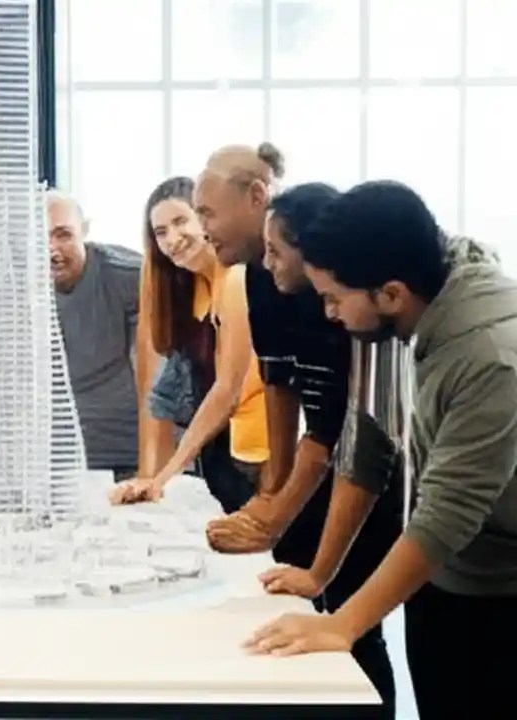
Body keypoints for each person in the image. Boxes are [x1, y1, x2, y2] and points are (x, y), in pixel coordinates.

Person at [246, 181, 517, 718]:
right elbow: (368, 440)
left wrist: (344, 623)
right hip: (444, 583)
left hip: (499, 597)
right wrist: (321, 577)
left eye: (332, 299)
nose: (328, 314)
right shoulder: (406, 314)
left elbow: (447, 512)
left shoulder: (492, 356)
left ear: (390, 293)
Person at [192, 150, 400, 717]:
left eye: (208, 212)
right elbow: (280, 382)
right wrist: (270, 493)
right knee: (308, 600)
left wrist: (277, 517)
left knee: (351, 620)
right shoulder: (260, 281)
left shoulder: (353, 313)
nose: (202, 229)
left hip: (372, 473)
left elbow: (343, 436)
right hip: (337, 459)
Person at [112, 177, 269, 513]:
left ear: (205, 218)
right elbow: (164, 397)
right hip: (220, 458)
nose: (172, 239)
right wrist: (150, 478)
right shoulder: (194, 291)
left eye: (180, 221)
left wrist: (161, 479)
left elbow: (228, 391)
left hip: (262, 460)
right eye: (161, 232)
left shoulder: (237, 280)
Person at [46, 190, 147, 479]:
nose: (51, 248)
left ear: (84, 230)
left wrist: (155, 466)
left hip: (130, 456)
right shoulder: (19, 290)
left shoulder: (129, 275)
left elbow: (162, 376)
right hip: (60, 462)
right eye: (39, 236)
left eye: (63, 234)